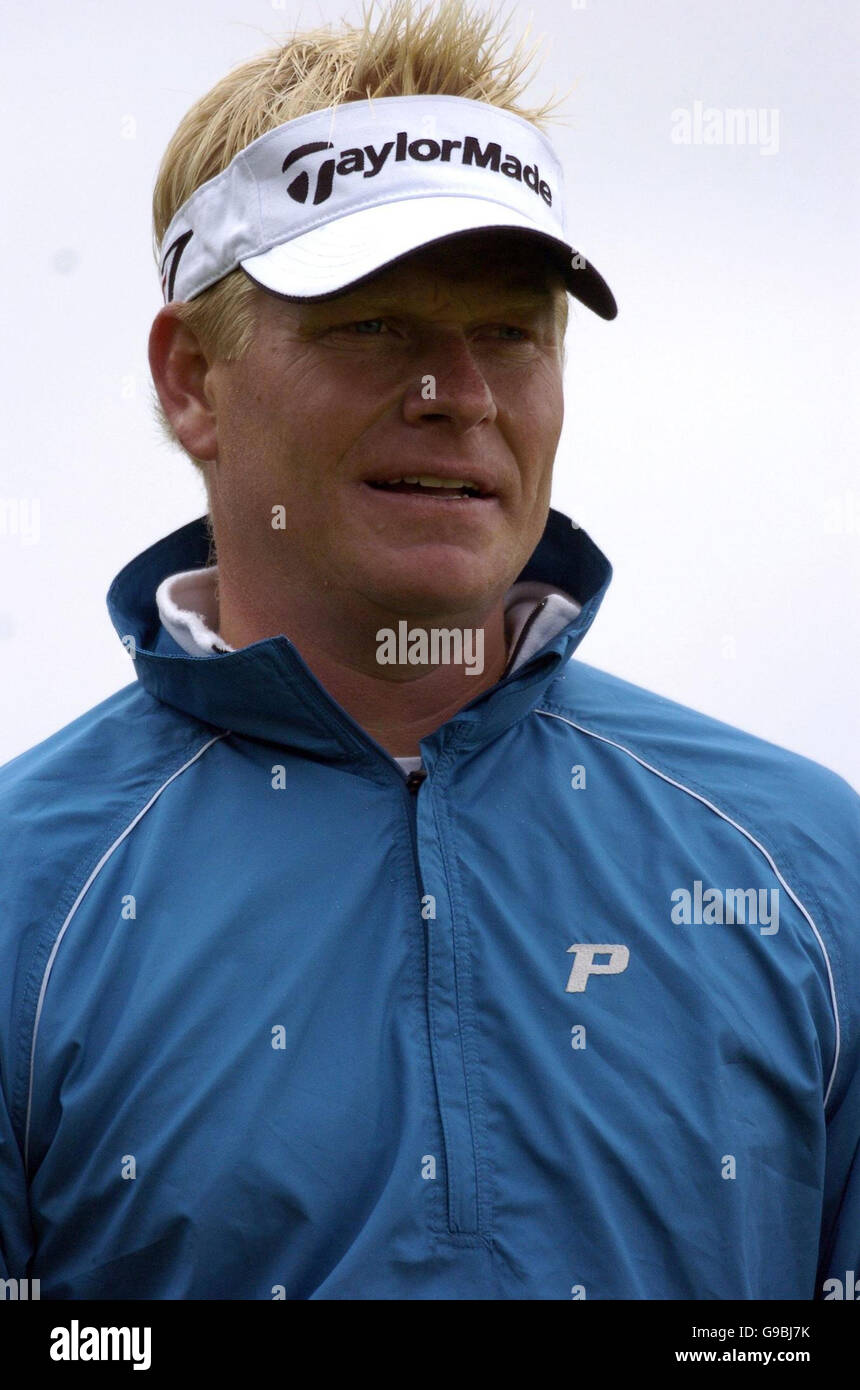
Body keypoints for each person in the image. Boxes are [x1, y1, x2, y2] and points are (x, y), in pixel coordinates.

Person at [0, 0, 857, 1301]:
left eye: (511, 331)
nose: (458, 394)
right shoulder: (29, 895)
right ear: (189, 379)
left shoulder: (807, 865)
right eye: (373, 325)